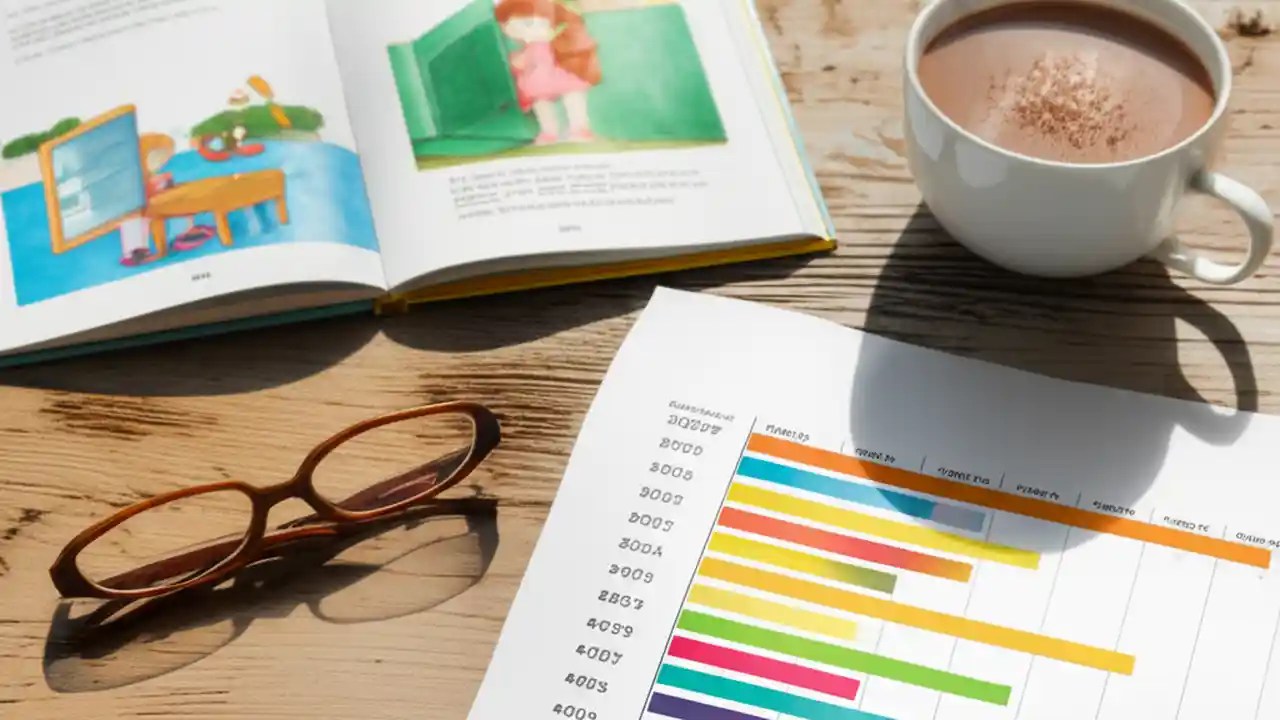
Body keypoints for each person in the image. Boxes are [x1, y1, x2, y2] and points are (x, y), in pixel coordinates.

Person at [494, 0, 602, 145]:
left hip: (560, 72)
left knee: (572, 95)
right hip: (538, 79)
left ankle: (579, 128)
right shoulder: (529, 47)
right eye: (509, 27)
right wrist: (518, 61)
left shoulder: (561, 39)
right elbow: (521, 62)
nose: (521, 32)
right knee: (540, 102)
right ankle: (549, 131)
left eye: (527, 24)